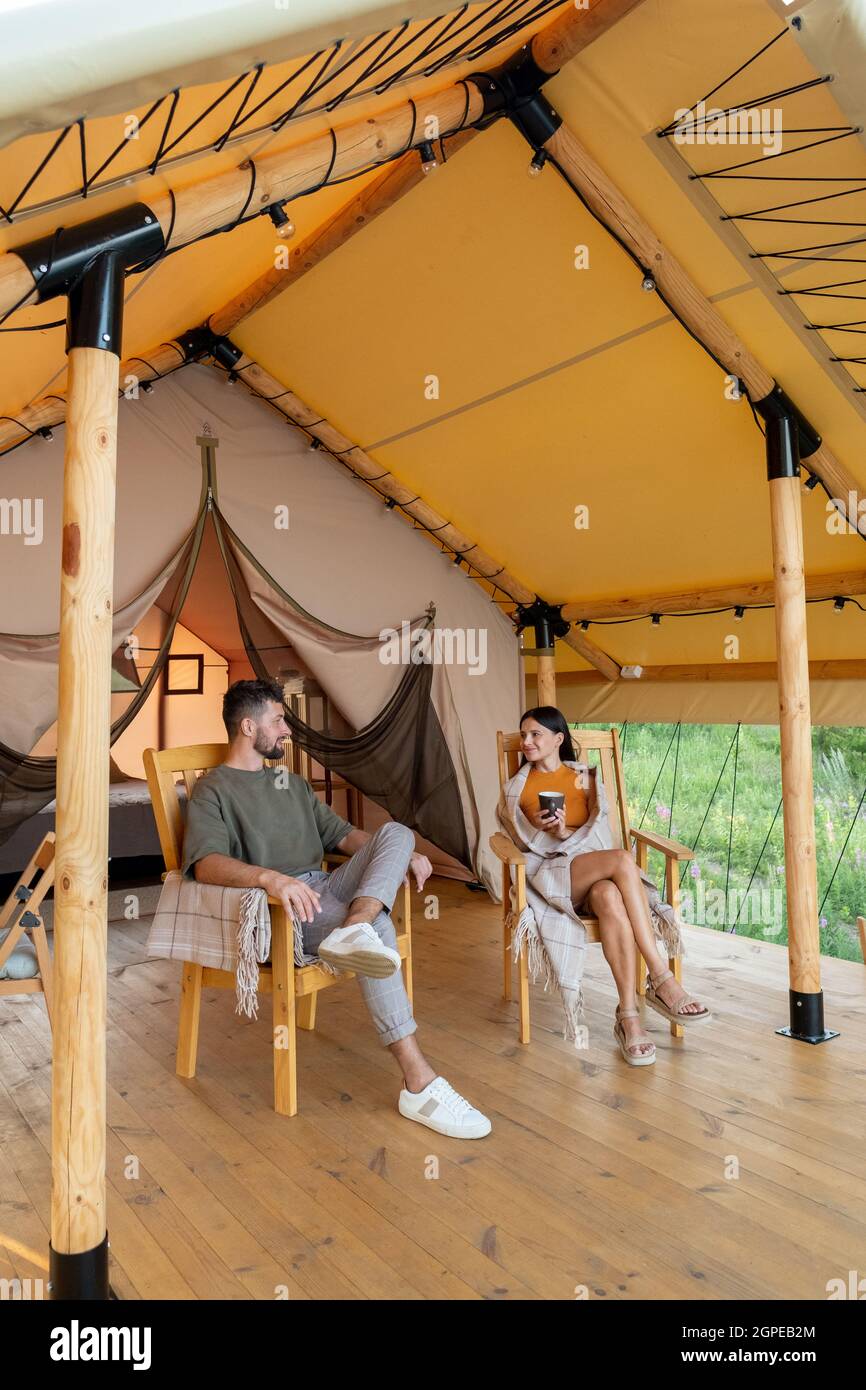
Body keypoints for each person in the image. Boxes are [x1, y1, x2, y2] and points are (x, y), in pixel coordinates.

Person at [182, 678, 491, 1139]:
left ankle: (357, 925)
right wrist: (269, 877)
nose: (287, 730)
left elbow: (346, 837)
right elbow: (205, 864)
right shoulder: (214, 791)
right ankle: (418, 1080)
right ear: (248, 726)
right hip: (284, 909)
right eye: (278, 720)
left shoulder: (292, 783)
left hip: (329, 887)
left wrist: (403, 852)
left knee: (399, 833)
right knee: (383, 929)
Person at [498, 706, 711, 1066]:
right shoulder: (518, 786)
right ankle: (661, 977)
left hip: (594, 876)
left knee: (609, 896)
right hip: (553, 879)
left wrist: (565, 831)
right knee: (624, 860)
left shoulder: (585, 777)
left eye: (536, 734)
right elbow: (515, 836)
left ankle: (628, 1017)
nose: (527, 741)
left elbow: (599, 833)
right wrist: (541, 830)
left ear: (558, 739)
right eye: (524, 734)